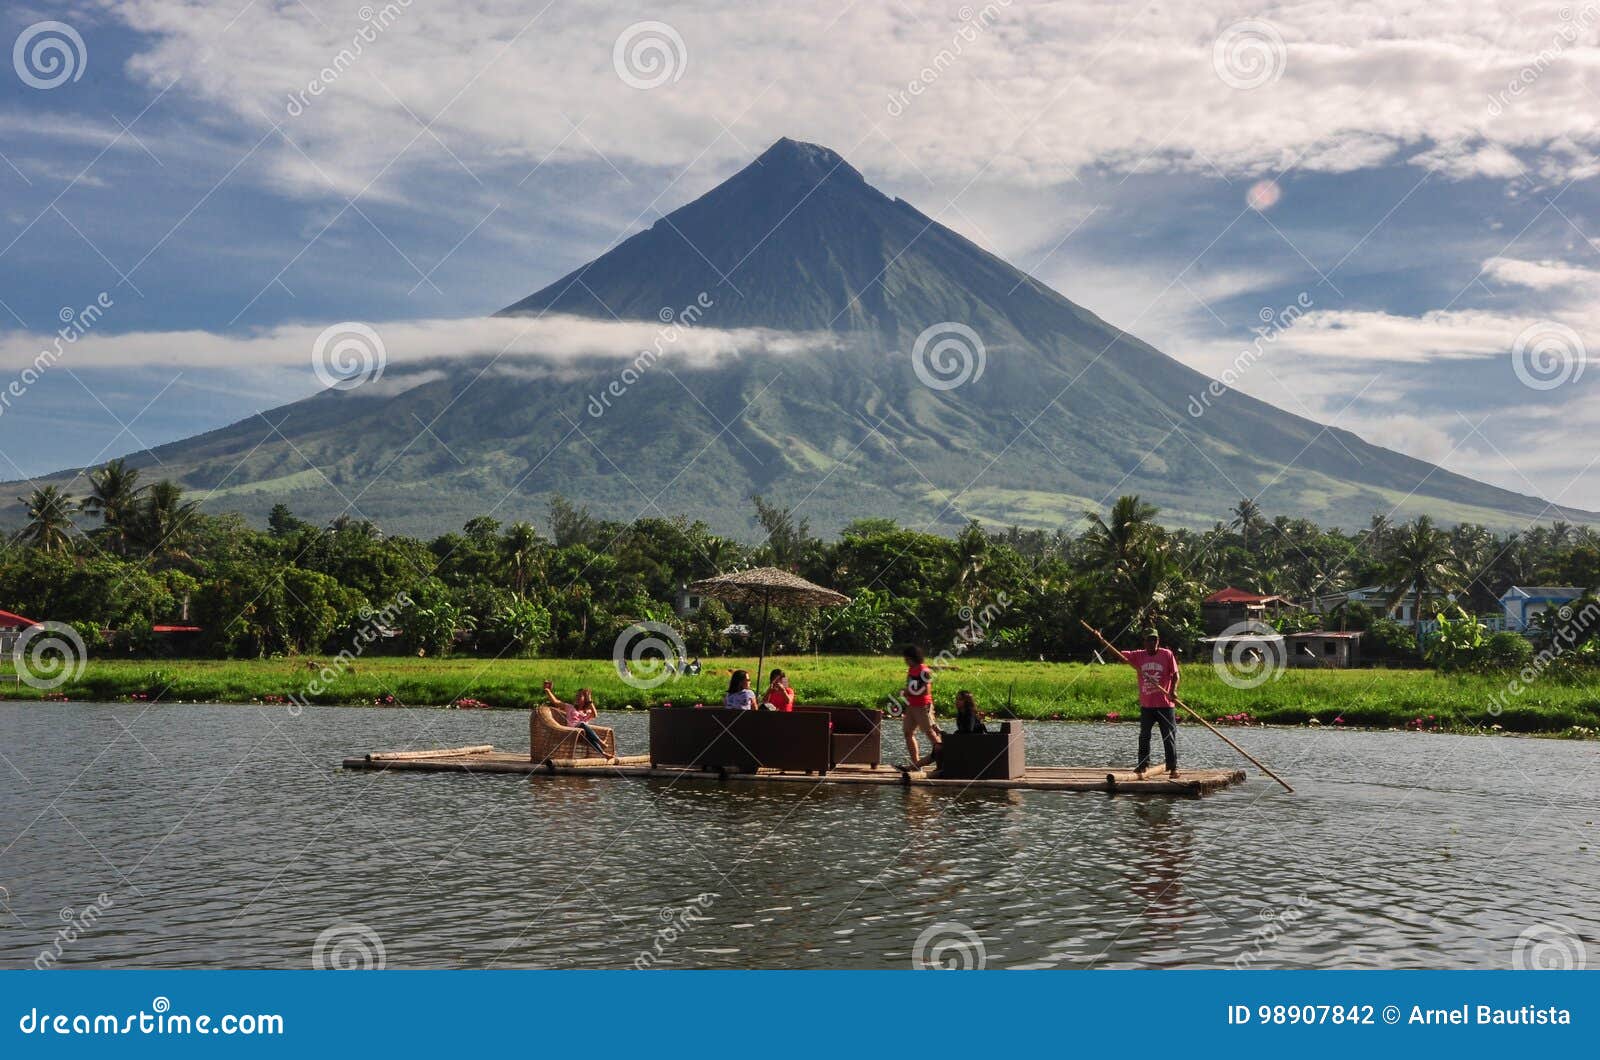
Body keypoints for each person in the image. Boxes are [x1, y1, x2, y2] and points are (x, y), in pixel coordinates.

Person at [1119, 628, 1180, 778]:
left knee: (1169, 737)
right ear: (1144, 642)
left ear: (1158, 641)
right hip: (1147, 706)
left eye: (1154, 639)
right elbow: (1118, 654)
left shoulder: (1167, 654)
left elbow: (1176, 675)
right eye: (1149, 640)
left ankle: (1173, 768)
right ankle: (1143, 765)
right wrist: (1101, 639)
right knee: (1144, 736)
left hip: (1165, 705)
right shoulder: (1138, 655)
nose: (1152, 642)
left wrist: (1173, 690)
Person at [543, 680, 612, 759]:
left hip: (583, 734)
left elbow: (595, 714)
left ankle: (604, 754)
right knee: (582, 724)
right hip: (572, 731)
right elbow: (556, 702)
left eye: (579, 696)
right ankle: (600, 742)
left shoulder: (587, 712)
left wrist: (589, 699)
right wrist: (547, 690)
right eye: (576, 696)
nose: (577, 698)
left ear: (584, 699)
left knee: (589, 737)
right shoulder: (570, 707)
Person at [900, 644, 941, 770]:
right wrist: (907, 693)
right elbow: (911, 686)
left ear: (914, 658)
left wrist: (909, 692)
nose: (906, 661)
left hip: (923, 705)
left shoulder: (924, 671)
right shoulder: (911, 670)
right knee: (908, 732)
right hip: (911, 705)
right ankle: (916, 764)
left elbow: (926, 690)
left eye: (907, 658)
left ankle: (943, 759)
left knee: (930, 733)